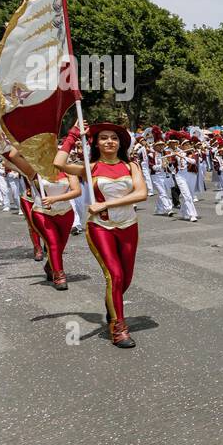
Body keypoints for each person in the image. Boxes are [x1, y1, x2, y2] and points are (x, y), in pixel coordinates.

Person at [55, 122, 148, 348]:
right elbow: (58, 163)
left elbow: (142, 193)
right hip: (100, 228)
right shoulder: (90, 168)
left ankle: (112, 303)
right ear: (95, 143)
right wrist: (73, 135)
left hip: (129, 225)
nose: (109, 141)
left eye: (114, 138)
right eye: (103, 138)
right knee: (114, 276)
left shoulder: (131, 166)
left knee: (126, 278)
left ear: (120, 143)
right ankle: (119, 329)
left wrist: (107, 203)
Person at [3, 147, 82, 290]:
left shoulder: (67, 170)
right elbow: (13, 156)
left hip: (65, 213)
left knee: (60, 246)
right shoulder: (34, 170)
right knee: (53, 244)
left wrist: (55, 199)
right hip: (42, 213)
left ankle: (50, 266)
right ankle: (59, 275)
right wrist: (23, 137)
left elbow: (77, 191)